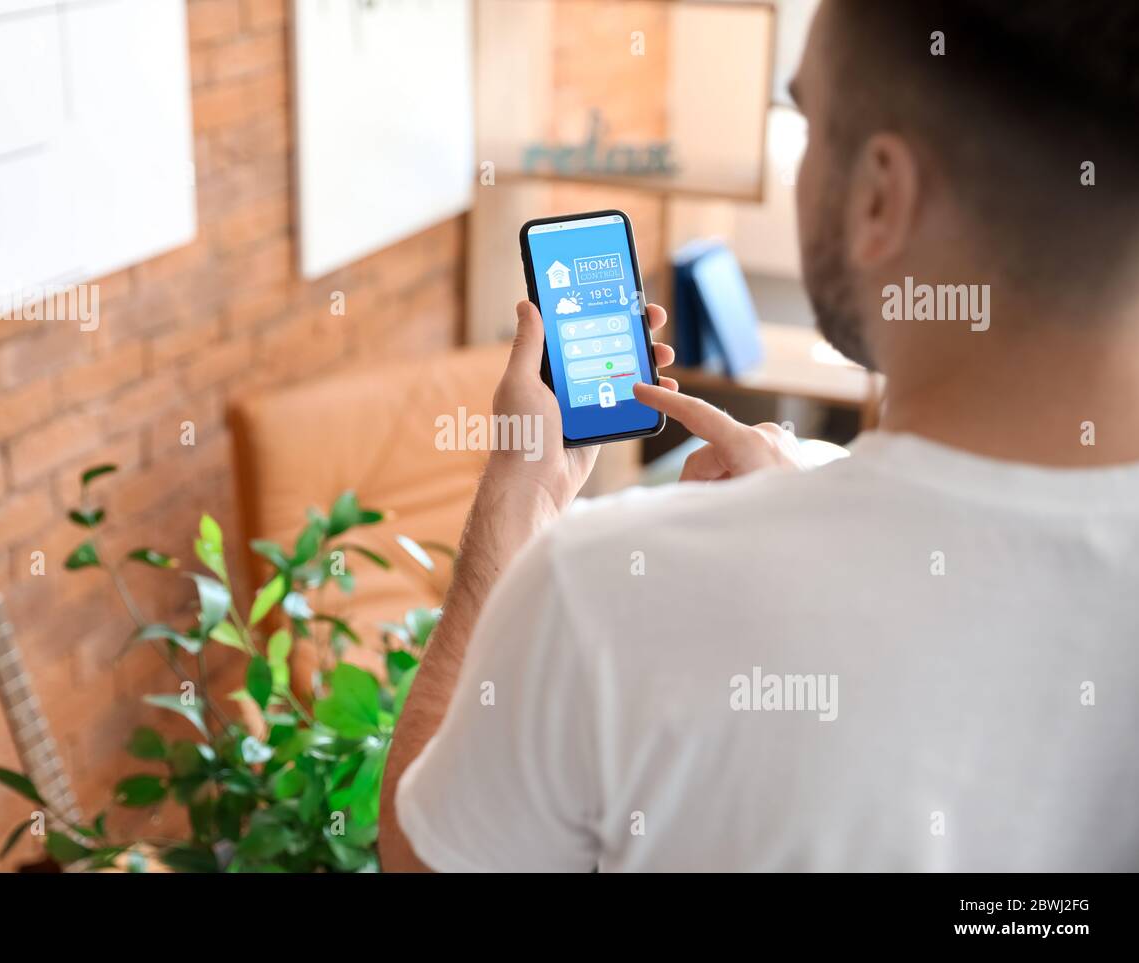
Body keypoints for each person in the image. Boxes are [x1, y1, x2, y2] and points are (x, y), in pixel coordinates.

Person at [378, 0, 1139, 871]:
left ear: (879, 196)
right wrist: (801, 495)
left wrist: (518, 506)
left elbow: (420, 856)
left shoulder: (597, 591)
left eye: (809, 121)